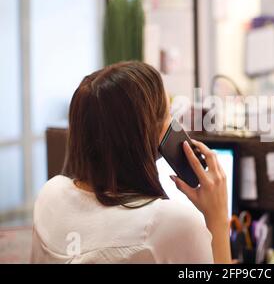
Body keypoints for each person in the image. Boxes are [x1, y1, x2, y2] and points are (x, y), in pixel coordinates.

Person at [30, 61, 231, 263]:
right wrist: (218, 219)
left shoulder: (50, 196)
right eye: (168, 114)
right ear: (148, 134)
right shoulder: (173, 224)